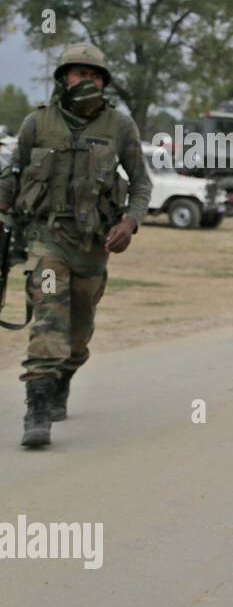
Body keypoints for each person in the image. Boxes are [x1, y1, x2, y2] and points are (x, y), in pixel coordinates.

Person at [0, 42, 151, 447]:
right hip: (46, 238)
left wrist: (130, 221)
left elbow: (141, 183)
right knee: (49, 317)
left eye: (95, 75)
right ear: (63, 79)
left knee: (78, 332)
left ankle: (63, 376)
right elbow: (12, 176)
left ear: (104, 82)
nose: (88, 81)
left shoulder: (120, 127)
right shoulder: (37, 123)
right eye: (79, 74)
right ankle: (37, 408)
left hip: (93, 244)